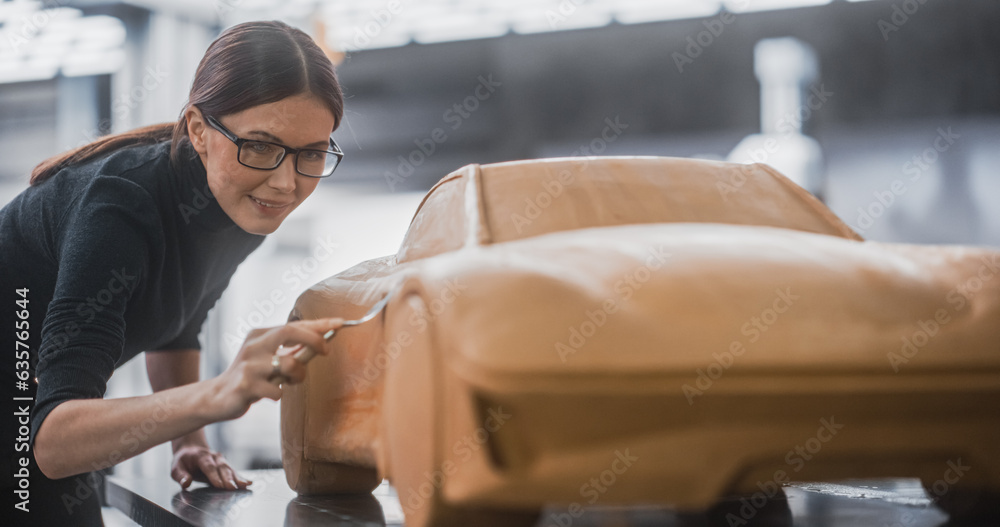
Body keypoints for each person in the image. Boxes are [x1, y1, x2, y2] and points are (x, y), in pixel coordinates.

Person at [1, 20, 348, 526]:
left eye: (312, 154)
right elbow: (54, 439)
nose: (285, 183)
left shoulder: (239, 202)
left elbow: (177, 325)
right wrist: (218, 393)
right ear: (199, 131)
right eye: (259, 145)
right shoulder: (122, 206)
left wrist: (189, 441)